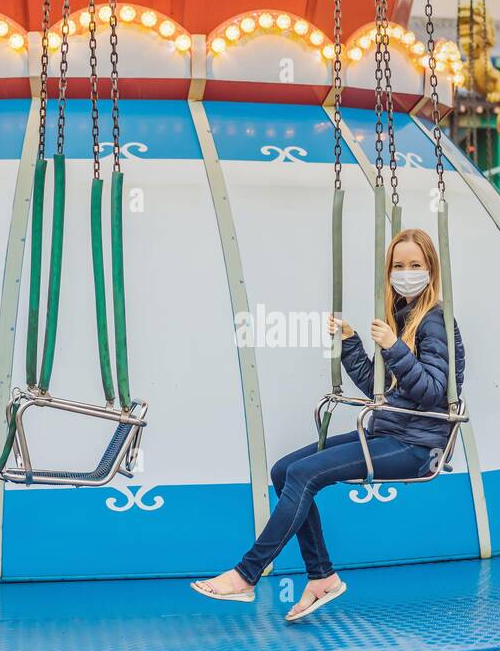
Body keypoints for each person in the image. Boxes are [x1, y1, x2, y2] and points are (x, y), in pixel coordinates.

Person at [191, 227, 465, 621]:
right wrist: (353, 342)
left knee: (304, 474)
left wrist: (394, 346)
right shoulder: (402, 317)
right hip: (389, 431)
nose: (406, 273)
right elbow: (383, 389)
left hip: (419, 447)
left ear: (431, 270)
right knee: (284, 471)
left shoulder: (434, 320)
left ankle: (246, 575)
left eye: (415, 265)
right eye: (398, 265)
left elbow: (433, 391)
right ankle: (322, 577)